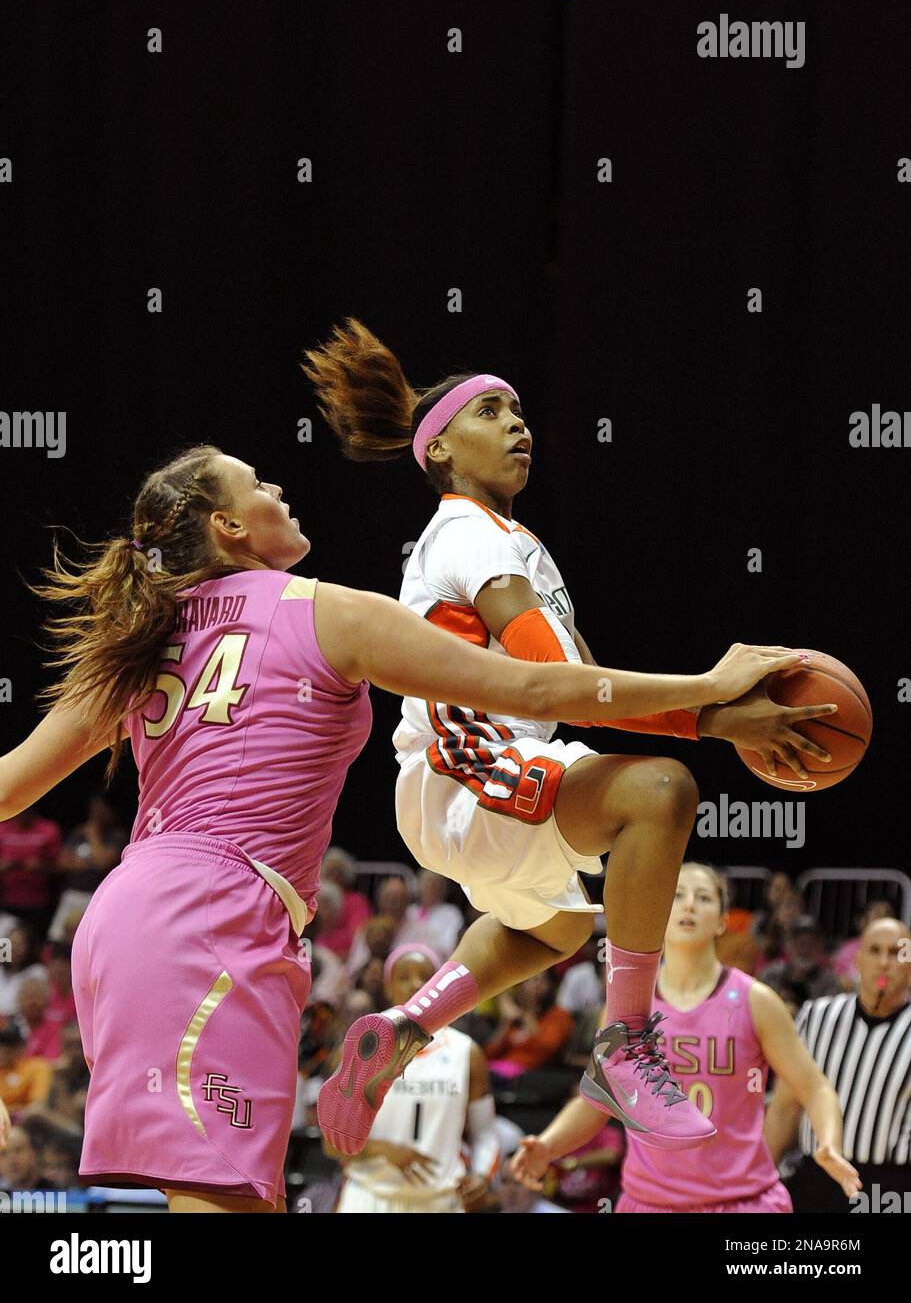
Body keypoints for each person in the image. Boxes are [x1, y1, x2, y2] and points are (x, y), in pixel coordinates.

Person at [0, 441, 760, 1212]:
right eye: (257, 480)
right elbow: (533, 686)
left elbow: (5, 790)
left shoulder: (139, 640)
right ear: (229, 525)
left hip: (132, 918)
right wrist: (708, 698)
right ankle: (622, 1042)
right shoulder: (325, 610)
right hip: (208, 919)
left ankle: (430, 1022)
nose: (277, 484)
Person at [302, 318, 834, 1155]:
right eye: (490, 412)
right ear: (438, 450)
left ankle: (404, 1027)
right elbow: (560, 690)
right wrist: (711, 690)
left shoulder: (519, 546)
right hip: (468, 769)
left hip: (475, 775)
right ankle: (625, 1044)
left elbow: (589, 694)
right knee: (658, 793)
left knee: (552, 928)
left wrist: (722, 722)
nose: (517, 423)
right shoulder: (467, 536)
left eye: (518, 409)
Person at [510, 862, 860, 1213]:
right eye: (676, 896)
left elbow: (814, 1086)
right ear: (659, 910)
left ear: (723, 920)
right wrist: (549, 1144)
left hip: (741, 1202)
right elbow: (598, 1100)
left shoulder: (756, 1000)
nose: (689, 904)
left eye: (703, 897)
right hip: (649, 1202)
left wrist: (829, 1143)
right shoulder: (628, 1004)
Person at [325, 945, 499, 1213]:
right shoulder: (362, 1046)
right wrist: (382, 1150)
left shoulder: (467, 1052)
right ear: (387, 985)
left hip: (440, 1199)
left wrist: (482, 1175)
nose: (416, 984)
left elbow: (485, 1132)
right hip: (369, 1196)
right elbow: (331, 1143)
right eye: (404, 977)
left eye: (427, 977)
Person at [765, 916, 911, 1213]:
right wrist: (757, 1176)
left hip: (891, 1186)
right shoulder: (816, 1015)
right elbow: (785, 1106)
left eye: (897, 953)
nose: (884, 962)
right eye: (874, 951)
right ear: (857, 960)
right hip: (817, 1176)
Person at [48, 792, 128, 942]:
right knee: (57, 940)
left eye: (100, 809)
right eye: (93, 809)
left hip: (95, 898)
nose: (96, 814)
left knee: (86, 941)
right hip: (72, 895)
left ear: (111, 811)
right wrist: (89, 862)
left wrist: (93, 834)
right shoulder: (78, 833)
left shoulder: (118, 836)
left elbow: (103, 863)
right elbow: (62, 863)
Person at [485, 971, 574, 1077]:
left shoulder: (559, 1015)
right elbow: (490, 1053)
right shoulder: (516, 1015)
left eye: (541, 980)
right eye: (530, 980)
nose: (535, 985)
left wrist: (528, 1012)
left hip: (535, 1075)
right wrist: (506, 1021)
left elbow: (545, 1049)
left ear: (551, 985)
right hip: (501, 1071)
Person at [0, 806, 63, 946]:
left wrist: (42, 866)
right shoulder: (2, 829)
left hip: (39, 903)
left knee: (34, 946)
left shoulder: (49, 830)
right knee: (7, 947)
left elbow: (62, 866)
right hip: (7, 901)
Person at [760, 915, 841, 1014]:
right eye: (800, 943)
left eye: (811, 943)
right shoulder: (772, 975)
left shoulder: (828, 982)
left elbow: (829, 1015)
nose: (805, 949)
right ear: (788, 944)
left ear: (821, 946)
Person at [398, 870, 465, 961]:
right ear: (418, 886)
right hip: (406, 961)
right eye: (427, 883)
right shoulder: (410, 911)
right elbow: (399, 942)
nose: (431, 888)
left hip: (436, 962)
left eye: (436, 884)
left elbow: (448, 945)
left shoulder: (450, 913)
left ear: (443, 889)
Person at [318, 848, 371, 959]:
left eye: (337, 873)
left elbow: (359, 935)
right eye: (328, 872)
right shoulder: (315, 899)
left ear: (346, 876)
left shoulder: (357, 901)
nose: (332, 878)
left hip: (346, 956)